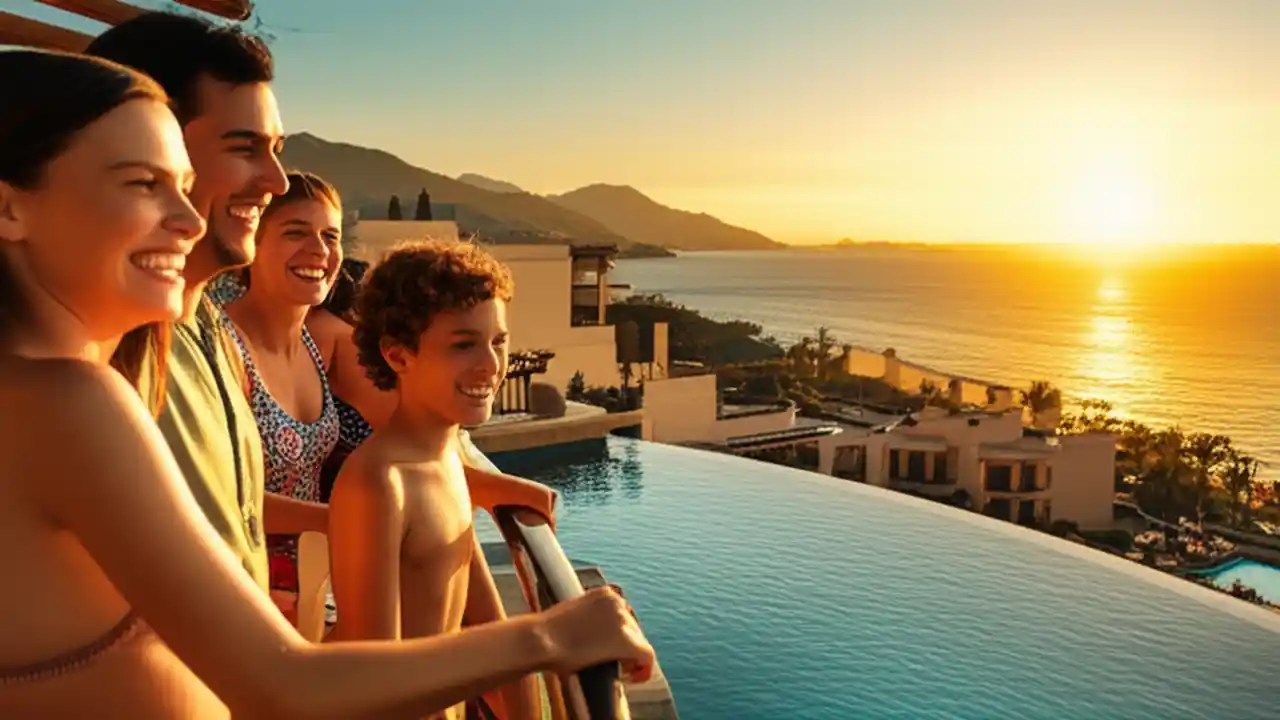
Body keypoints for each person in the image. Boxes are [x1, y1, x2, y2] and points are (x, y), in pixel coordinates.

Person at [0, 49, 651, 720]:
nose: (191, 220)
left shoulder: (59, 390)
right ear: (10, 208)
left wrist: (465, 485)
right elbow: (286, 688)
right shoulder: (66, 401)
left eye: (182, 184)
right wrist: (552, 633)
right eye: (142, 184)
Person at [328, 239, 533, 720]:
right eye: (464, 344)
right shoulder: (380, 484)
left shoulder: (445, 459)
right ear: (399, 357)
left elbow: (490, 630)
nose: (490, 364)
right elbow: (374, 679)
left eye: (498, 341)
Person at [219, 172, 343, 621]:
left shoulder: (316, 342)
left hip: (314, 588)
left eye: (331, 236)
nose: (320, 251)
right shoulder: (223, 348)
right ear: (252, 243)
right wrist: (350, 522)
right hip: (246, 600)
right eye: (295, 233)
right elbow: (222, 498)